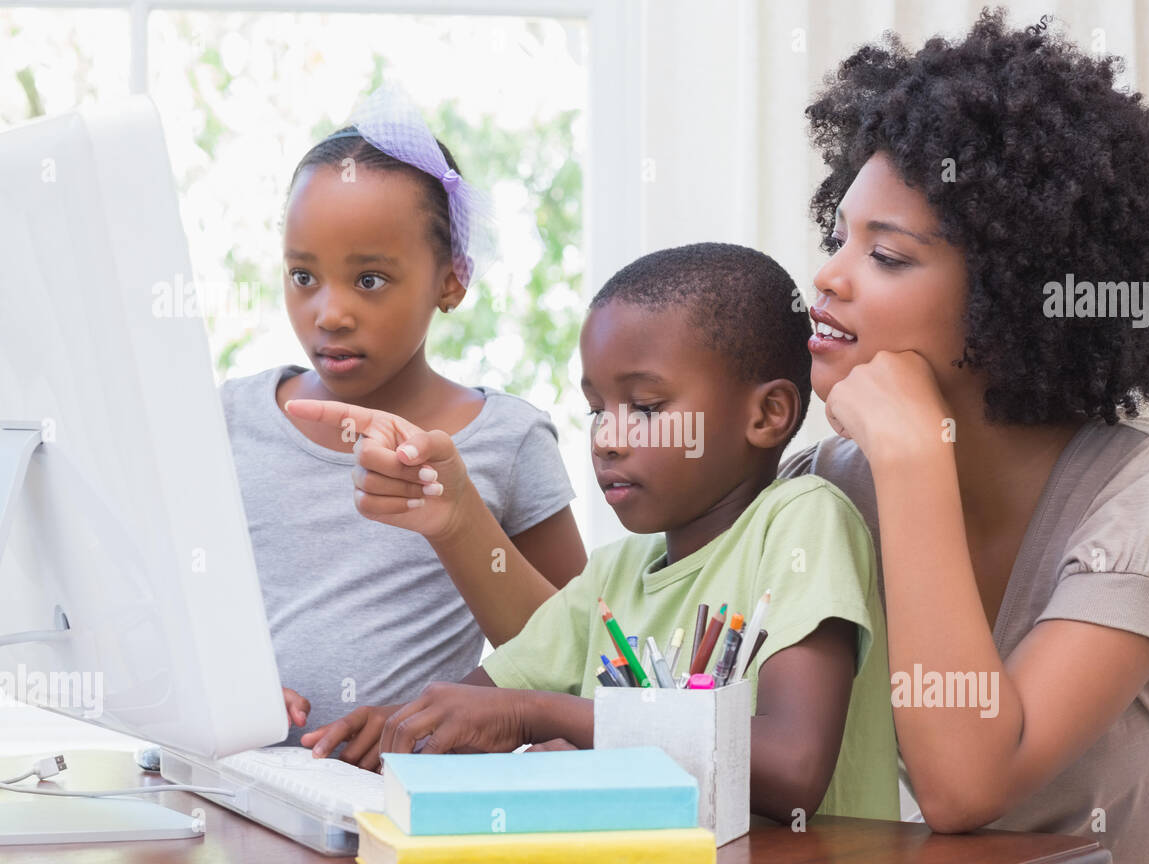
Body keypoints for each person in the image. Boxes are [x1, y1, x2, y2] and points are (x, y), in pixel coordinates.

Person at [782, 9, 1149, 864]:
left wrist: (915, 457)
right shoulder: (824, 487)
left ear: (1015, 297)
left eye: (889, 256)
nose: (828, 277)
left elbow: (966, 784)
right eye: (841, 239)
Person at [289, 243, 899, 822]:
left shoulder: (804, 520)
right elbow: (481, 708)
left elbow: (792, 765)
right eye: (596, 410)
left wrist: (535, 716)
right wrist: (399, 728)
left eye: (647, 408)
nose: (607, 437)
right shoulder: (613, 574)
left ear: (767, 415)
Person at [220, 84, 586, 746]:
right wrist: (226, 688)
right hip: (241, 784)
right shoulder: (229, 419)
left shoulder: (508, 440)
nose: (329, 313)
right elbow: (164, 614)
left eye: (368, 280)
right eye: (303, 276)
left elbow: (578, 663)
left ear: (451, 279)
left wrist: (461, 523)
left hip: (409, 807)